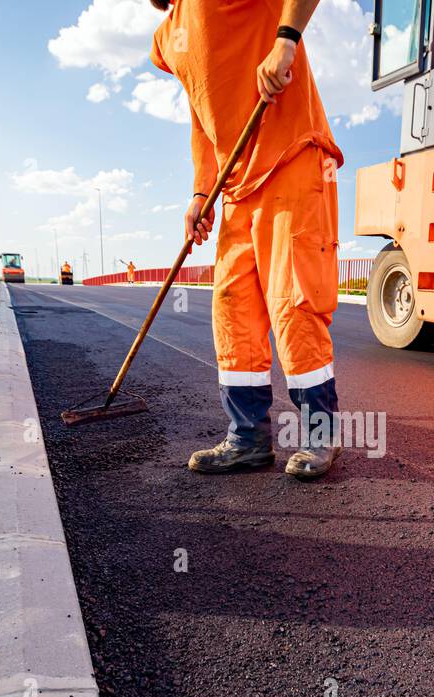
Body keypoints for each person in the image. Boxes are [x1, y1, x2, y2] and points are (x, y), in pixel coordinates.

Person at [150, 0, 344, 480]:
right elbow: (201, 115)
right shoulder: (165, 37)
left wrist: (286, 40)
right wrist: (200, 190)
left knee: (293, 301)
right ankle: (248, 438)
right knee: (233, 310)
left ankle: (320, 435)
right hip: (235, 185)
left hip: (292, 155)